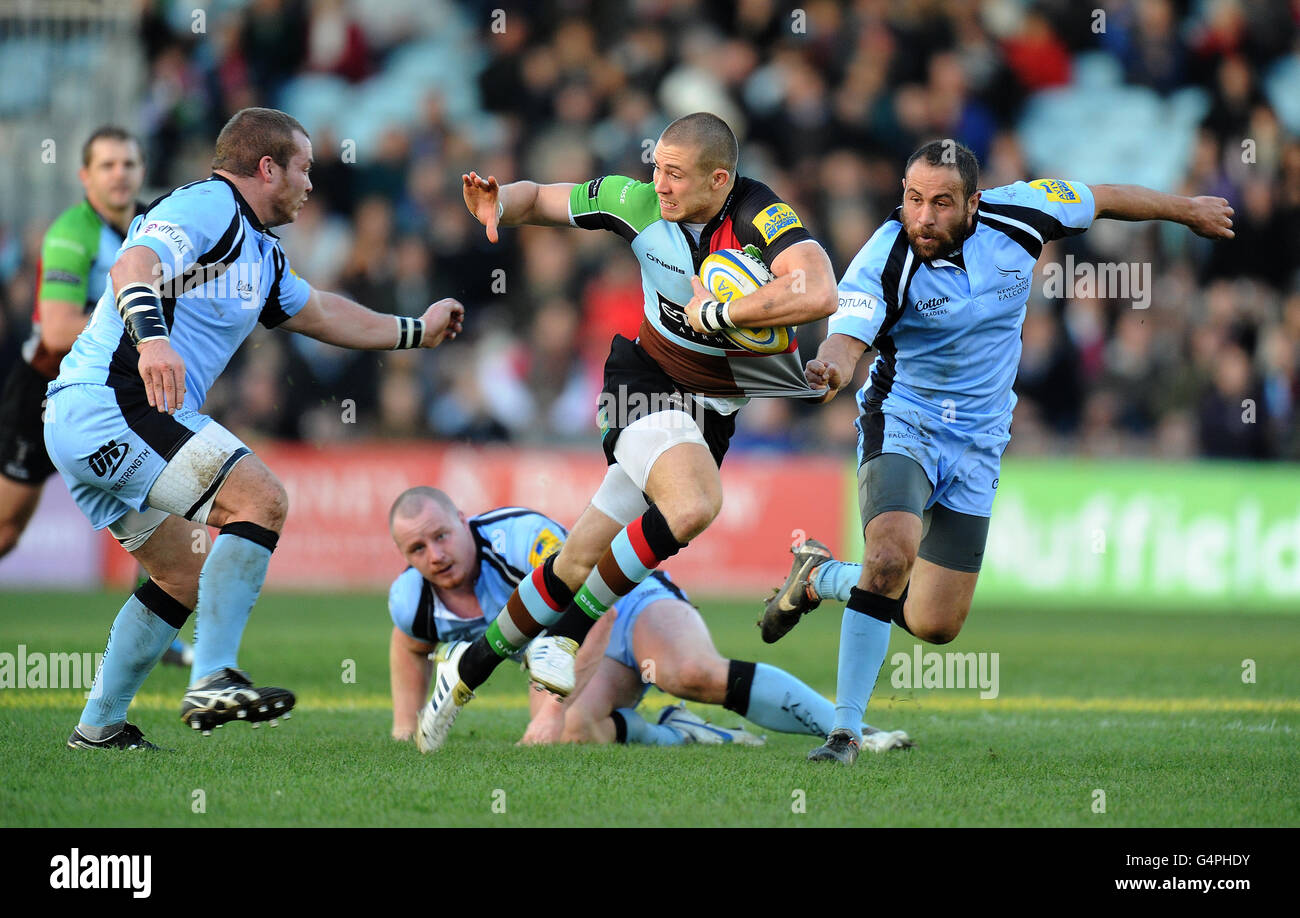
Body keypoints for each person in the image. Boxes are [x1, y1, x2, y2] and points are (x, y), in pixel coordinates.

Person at [764, 139, 1234, 765]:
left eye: (939, 203)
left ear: (975, 203)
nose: (922, 217)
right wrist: (829, 368)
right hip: (905, 421)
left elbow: (1108, 197)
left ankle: (819, 577)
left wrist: (1188, 210)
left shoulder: (1025, 212)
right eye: (911, 199)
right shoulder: (884, 257)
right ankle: (845, 733)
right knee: (888, 555)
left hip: (981, 443)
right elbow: (847, 340)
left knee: (935, 624)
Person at [416, 111, 838, 753]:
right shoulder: (635, 203)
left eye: (674, 174)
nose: (659, 185)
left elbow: (819, 290)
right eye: (656, 169)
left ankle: (466, 667)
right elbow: (547, 200)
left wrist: (724, 311)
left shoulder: (761, 216)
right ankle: (566, 635)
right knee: (693, 504)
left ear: (720, 179)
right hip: (642, 385)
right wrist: (501, 200)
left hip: (712, 416)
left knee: (577, 559)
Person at [45, 108, 464, 750]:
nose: (310, 184)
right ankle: (213, 675)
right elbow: (132, 267)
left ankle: (99, 729)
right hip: (117, 399)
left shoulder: (261, 250)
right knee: (261, 499)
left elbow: (321, 313)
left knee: (180, 574)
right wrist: (153, 342)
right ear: (266, 169)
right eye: (303, 169)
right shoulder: (207, 204)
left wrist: (416, 332)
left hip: (93, 417)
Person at [386, 487, 912, 751]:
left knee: (691, 673)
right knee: (575, 731)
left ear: (462, 519)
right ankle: (678, 731)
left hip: (622, 604)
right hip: (574, 653)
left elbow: (593, 608)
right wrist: (402, 725)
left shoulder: (516, 539)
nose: (435, 554)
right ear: (404, 558)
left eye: (440, 535)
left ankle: (856, 732)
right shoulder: (412, 599)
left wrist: (543, 712)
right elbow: (408, 645)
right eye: (417, 548)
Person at [0, 126, 192, 666]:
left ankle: (160, 635)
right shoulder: (72, 232)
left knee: (166, 496)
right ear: (85, 176)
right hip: (45, 388)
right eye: (106, 165)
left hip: (122, 391)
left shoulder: (152, 226)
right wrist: (130, 320)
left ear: (141, 169)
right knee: (8, 527)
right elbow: (59, 330)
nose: (119, 174)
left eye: (128, 164)